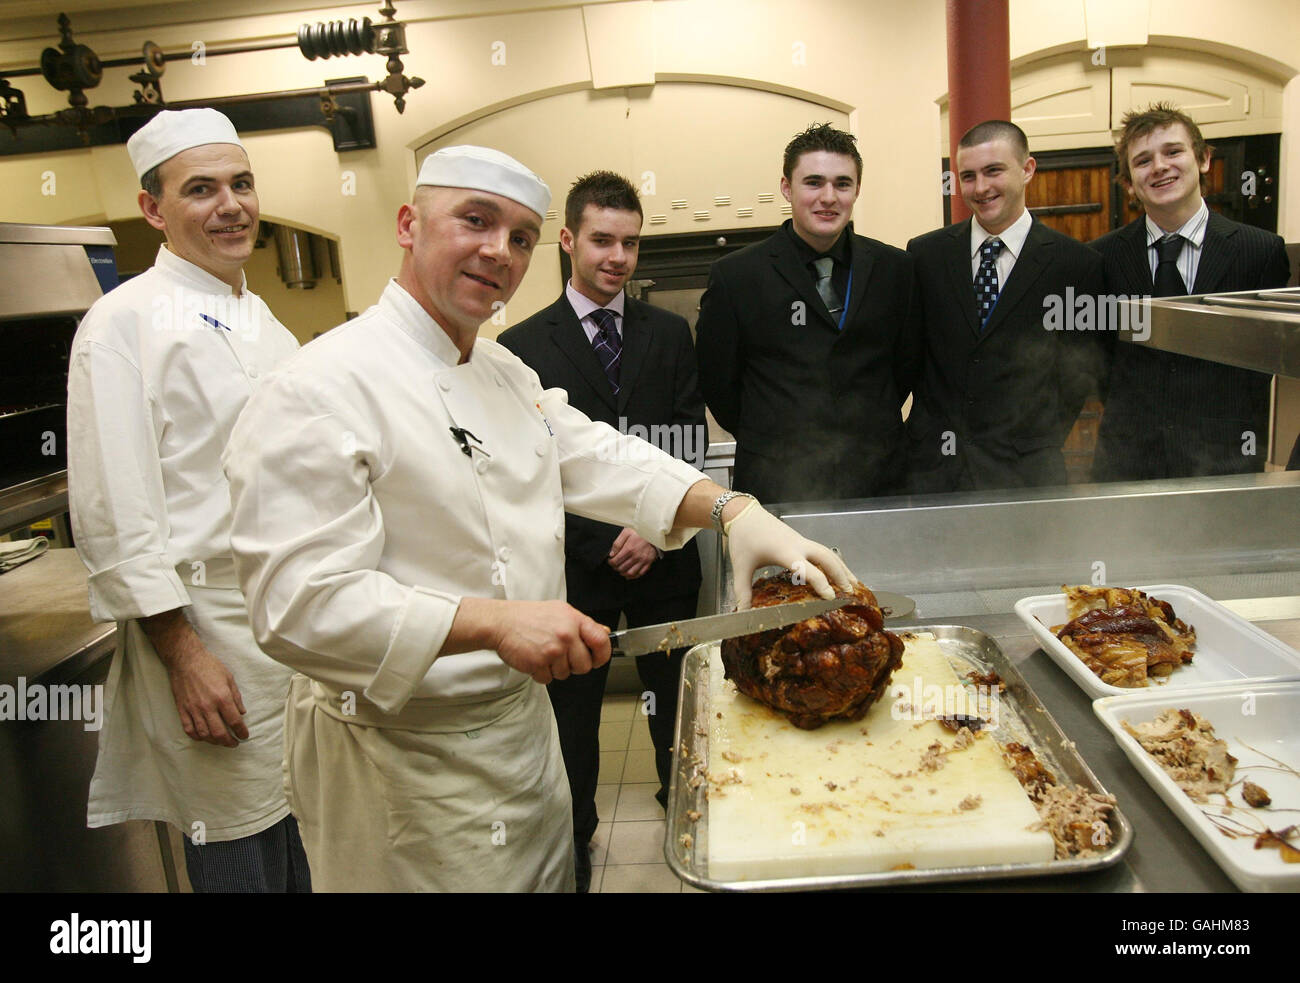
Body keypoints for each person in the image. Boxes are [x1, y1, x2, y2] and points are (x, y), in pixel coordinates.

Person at [221, 145, 854, 892]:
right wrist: (492, 622)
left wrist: (733, 510)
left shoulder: (501, 369)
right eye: (476, 221)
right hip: (399, 767)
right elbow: (298, 605)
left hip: (522, 740)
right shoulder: (317, 387)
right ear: (407, 224)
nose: (500, 251)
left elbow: (595, 455)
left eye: (520, 236)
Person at [66, 108, 308, 892]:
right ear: (152, 209)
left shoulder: (262, 318)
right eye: (200, 189)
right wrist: (184, 653)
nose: (230, 205)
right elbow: (114, 509)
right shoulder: (121, 323)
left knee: (305, 844)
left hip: (287, 630)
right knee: (237, 852)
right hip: (209, 637)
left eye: (241, 183)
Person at [497, 171, 707, 892]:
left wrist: (653, 530)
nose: (618, 256)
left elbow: (685, 440)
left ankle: (691, 829)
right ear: (569, 240)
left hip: (666, 563)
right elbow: (528, 470)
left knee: (678, 709)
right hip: (576, 571)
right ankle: (575, 847)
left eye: (630, 242)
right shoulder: (519, 345)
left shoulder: (671, 333)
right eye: (603, 239)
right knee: (572, 723)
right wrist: (605, 538)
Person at [695, 123, 921, 504]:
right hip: (777, 482)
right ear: (787, 187)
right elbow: (719, 383)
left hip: (879, 481)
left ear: (857, 190)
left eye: (842, 184)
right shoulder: (737, 276)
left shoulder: (895, 269)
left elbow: (907, 366)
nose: (828, 197)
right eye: (813, 182)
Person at [1091, 102, 1290, 481]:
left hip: (1223, 459)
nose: (1160, 166)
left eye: (1173, 151)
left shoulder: (1260, 251)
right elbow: (1100, 360)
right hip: (1126, 462)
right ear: (1130, 183)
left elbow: (1261, 364)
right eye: (1143, 160)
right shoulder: (1101, 258)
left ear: (1203, 160)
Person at [905, 120, 1105, 492]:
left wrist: (1033, 439)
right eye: (968, 176)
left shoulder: (1076, 264)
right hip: (934, 471)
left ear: (1027, 169)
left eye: (993, 171)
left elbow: (1077, 373)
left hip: (1027, 472)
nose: (980, 188)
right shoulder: (925, 255)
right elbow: (913, 356)